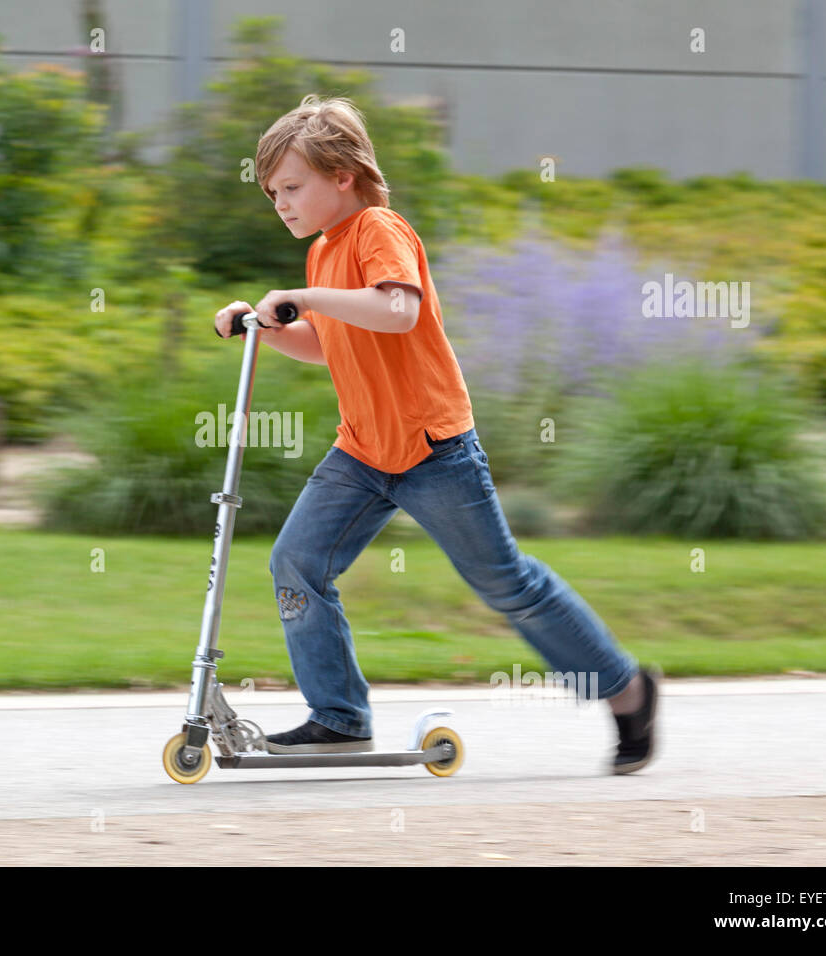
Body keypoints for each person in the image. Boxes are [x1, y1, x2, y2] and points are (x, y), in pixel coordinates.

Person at [213, 94, 659, 774]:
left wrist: (306, 300)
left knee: (505, 583)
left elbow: (396, 311)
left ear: (343, 175)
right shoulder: (324, 254)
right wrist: (269, 328)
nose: (280, 202)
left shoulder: (378, 230)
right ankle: (338, 719)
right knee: (297, 563)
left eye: (292, 187)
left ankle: (626, 689)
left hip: (432, 449)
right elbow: (331, 344)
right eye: (273, 191)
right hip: (362, 450)